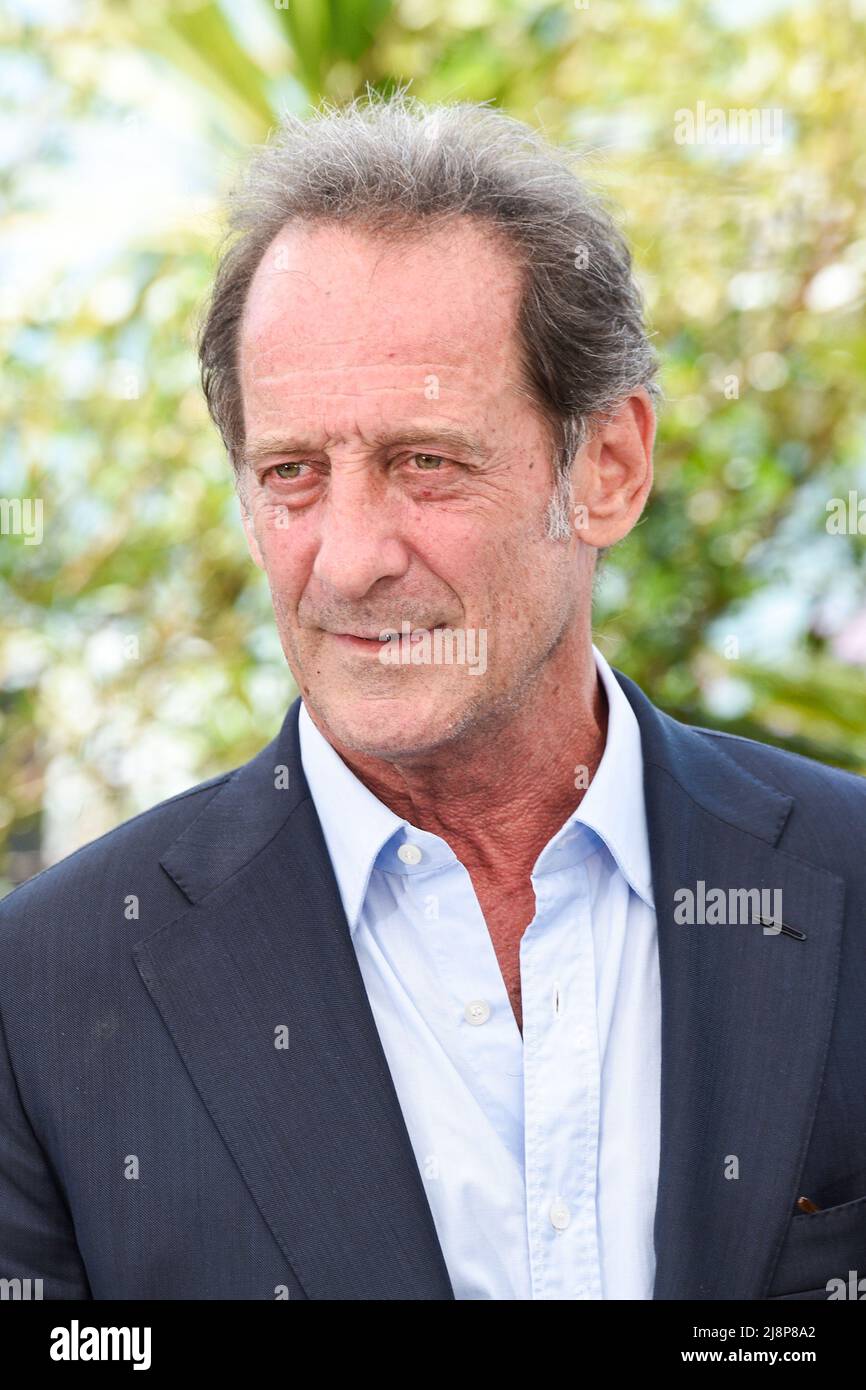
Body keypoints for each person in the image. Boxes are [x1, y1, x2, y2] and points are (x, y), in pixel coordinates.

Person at [1, 93, 864, 1302]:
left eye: (425, 463)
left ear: (606, 469)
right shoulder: (43, 990)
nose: (349, 559)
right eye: (292, 474)